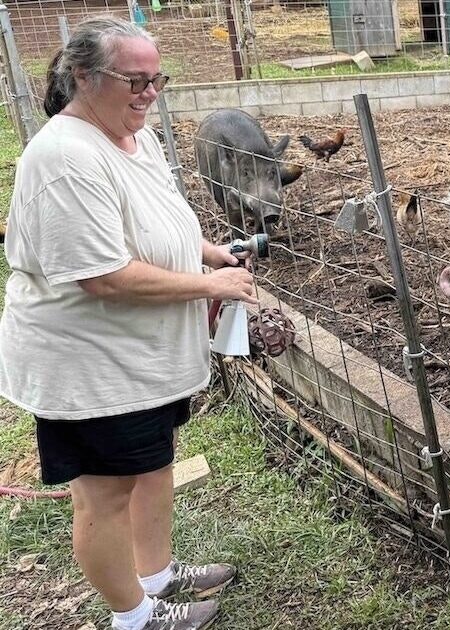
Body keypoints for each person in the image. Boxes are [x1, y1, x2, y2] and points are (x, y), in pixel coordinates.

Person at [0, 16, 258, 630]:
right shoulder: (65, 157)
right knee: (105, 495)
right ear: (83, 77)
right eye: (134, 80)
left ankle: (156, 575)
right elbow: (102, 275)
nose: (148, 93)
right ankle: (134, 616)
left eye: (156, 80)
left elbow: (158, 219)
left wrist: (207, 253)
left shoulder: (133, 136)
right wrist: (211, 285)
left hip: (141, 357)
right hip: (92, 366)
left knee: (152, 466)